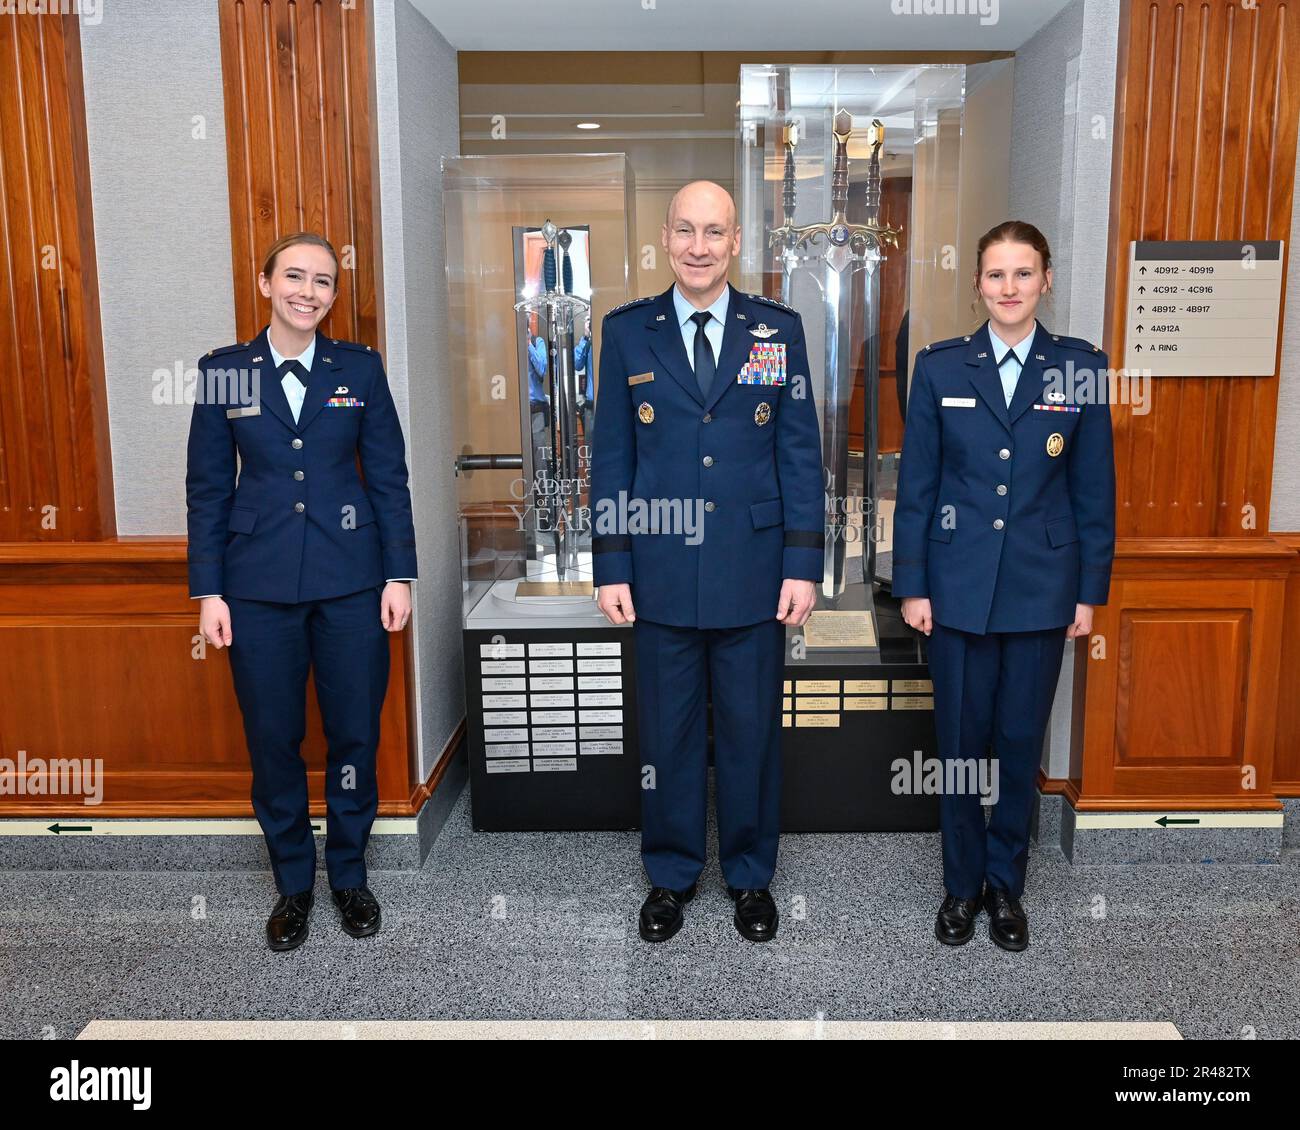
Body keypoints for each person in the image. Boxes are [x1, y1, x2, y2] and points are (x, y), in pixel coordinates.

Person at [590, 181, 824, 944]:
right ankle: (671, 874)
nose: (699, 246)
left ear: (735, 243)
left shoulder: (776, 330)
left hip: (755, 572)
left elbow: (800, 454)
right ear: (666, 237)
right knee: (668, 736)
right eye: (686, 230)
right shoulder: (627, 332)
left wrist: (802, 563)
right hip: (657, 574)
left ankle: (751, 877)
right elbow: (612, 460)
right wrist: (612, 564)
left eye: (714, 232)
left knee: (754, 733)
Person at [186, 232, 417, 952]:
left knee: (354, 734)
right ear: (264, 283)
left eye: (323, 281)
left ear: (333, 295)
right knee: (273, 739)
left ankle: (348, 874)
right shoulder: (225, 371)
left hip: (352, 584)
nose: (308, 292)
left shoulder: (360, 369)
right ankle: (293, 883)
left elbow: (388, 477)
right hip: (254, 590)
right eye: (294, 276)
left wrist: (398, 574)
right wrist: (210, 591)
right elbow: (207, 487)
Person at [892, 220, 1115, 951]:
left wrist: (1088, 591)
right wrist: (913, 586)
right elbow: (919, 489)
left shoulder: (1079, 368)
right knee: (959, 743)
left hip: (1041, 590)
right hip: (955, 589)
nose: (1009, 288)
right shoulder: (941, 368)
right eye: (995, 275)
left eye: (1023, 274)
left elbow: (1093, 492)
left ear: (1045, 280)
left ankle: (1005, 887)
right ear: (978, 284)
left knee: (1019, 744)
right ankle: (961, 888)